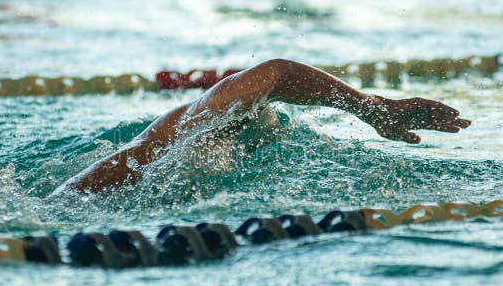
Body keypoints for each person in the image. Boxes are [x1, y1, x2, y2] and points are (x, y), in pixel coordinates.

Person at [56, 59, 470, 194]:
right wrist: (369, 108)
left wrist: (370, 110)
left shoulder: (233, 127)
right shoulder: (188, 126)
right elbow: (275, 71)